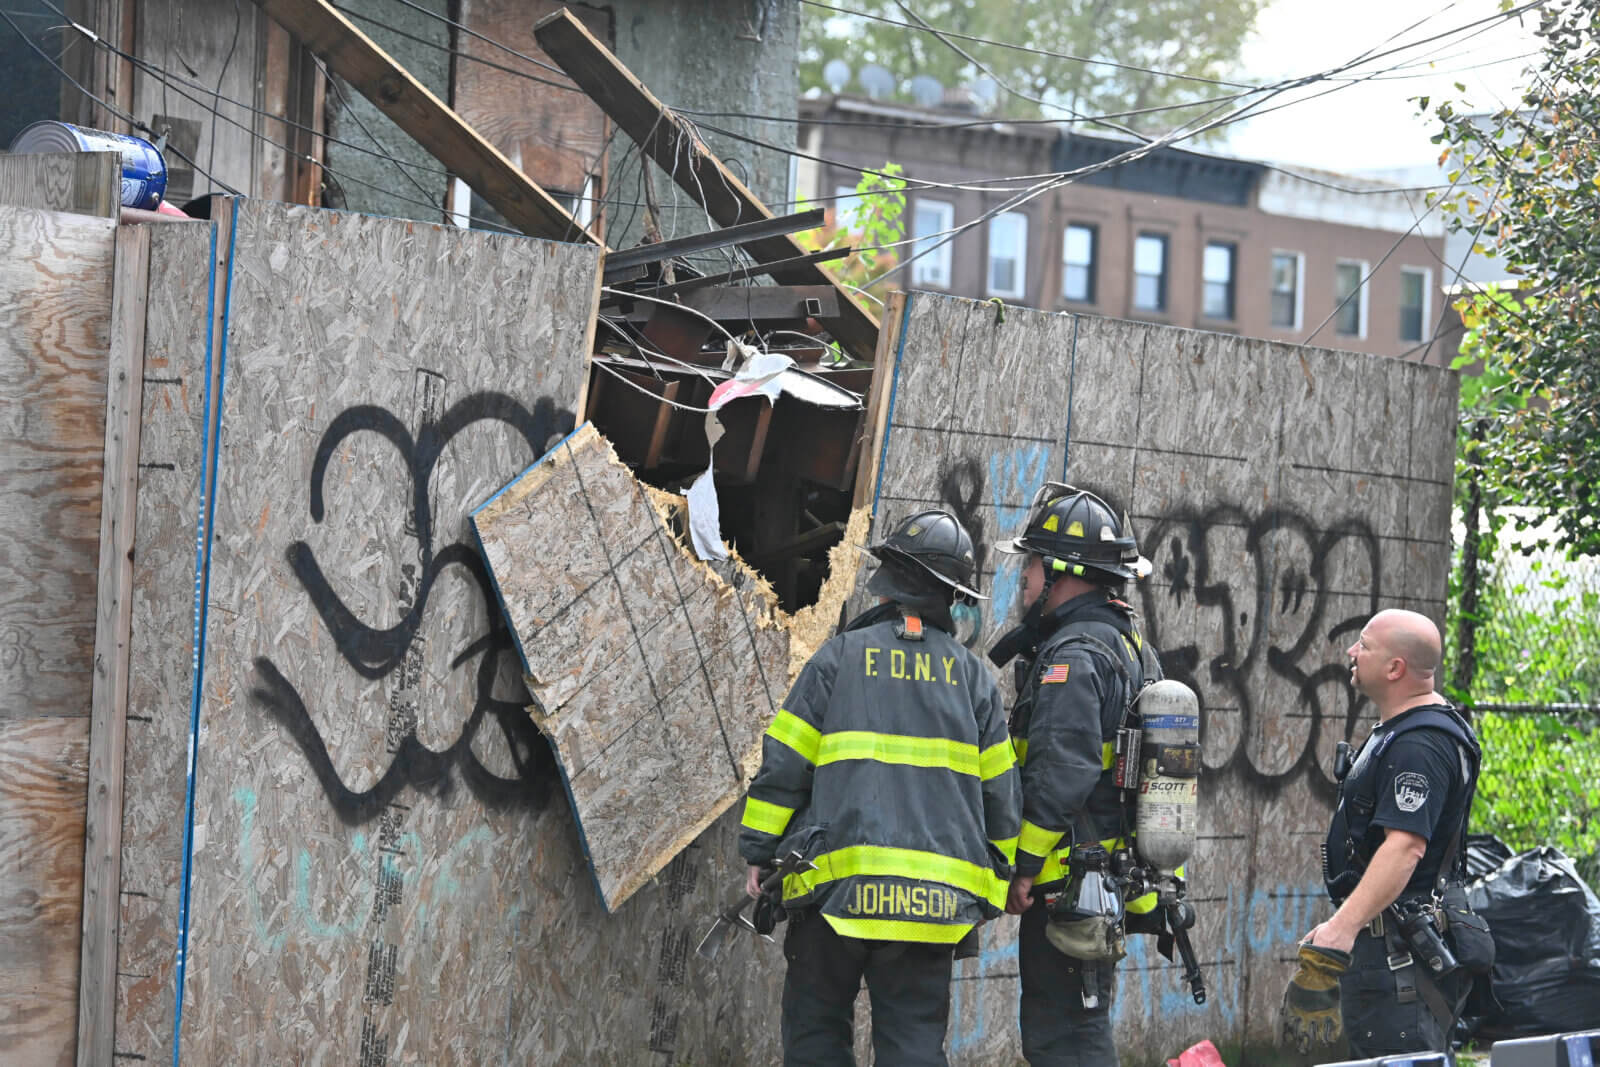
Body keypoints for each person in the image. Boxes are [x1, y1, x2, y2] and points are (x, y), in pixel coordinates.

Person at [737, 508, 1021, 1066]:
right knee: (913, 1047)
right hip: (933, 907)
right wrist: (991, 890)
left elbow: (785, 765)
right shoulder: (973, 680)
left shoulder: (838, 659)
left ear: (888, 580)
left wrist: (760, 853)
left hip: (832, 892)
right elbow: (1002, 798)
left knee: (816, 1037)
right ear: (952, 597)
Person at [987, 483, 1157, 1066]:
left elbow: (1062, 773)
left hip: (1070, 880)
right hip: (1104, 878)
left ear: (1063, 573)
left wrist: (1024, 868)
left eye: (1033, 564)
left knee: (1065, 1036)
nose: (1024, 578)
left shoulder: (1076, 654)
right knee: (1078, 1021)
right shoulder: (1129, 643)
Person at [1287, 608, 1482, 1057]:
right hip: (1387, 950)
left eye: (1365, 645)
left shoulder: (1420, 745)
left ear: (1395, 668)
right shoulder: (1405, 731)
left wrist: (1342, 929)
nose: (1351, 651)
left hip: (1399, 961)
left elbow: (1405, 848)